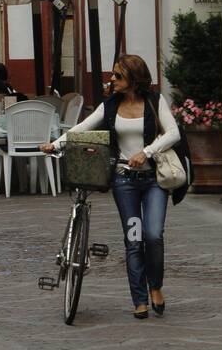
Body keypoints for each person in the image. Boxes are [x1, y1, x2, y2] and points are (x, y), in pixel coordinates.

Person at [43, 53, 181, 319]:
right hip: (124, 181)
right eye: (112, 75)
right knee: (133, 239)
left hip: (154, 181)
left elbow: (174, 133)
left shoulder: (155, 101)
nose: (112, 79)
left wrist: (148, 152)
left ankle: (156, 286)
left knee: (153, 235)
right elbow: (82, 127)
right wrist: (56, 144)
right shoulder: (110, 105)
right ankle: (139, 299)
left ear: (133, 78)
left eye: (118, 75)